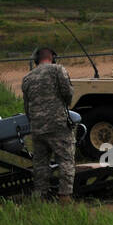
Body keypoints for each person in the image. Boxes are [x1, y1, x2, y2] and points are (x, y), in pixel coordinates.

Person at [21, 46, 75, 203]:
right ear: (53, 57)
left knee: (40, 164)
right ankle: (64, 196)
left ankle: (41, 197)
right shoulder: (58, 70)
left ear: (36, 60)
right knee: (65, 160)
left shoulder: (27, 78)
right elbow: (68, 93)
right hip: (58, 125)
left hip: (37, 127)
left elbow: (26, 106)